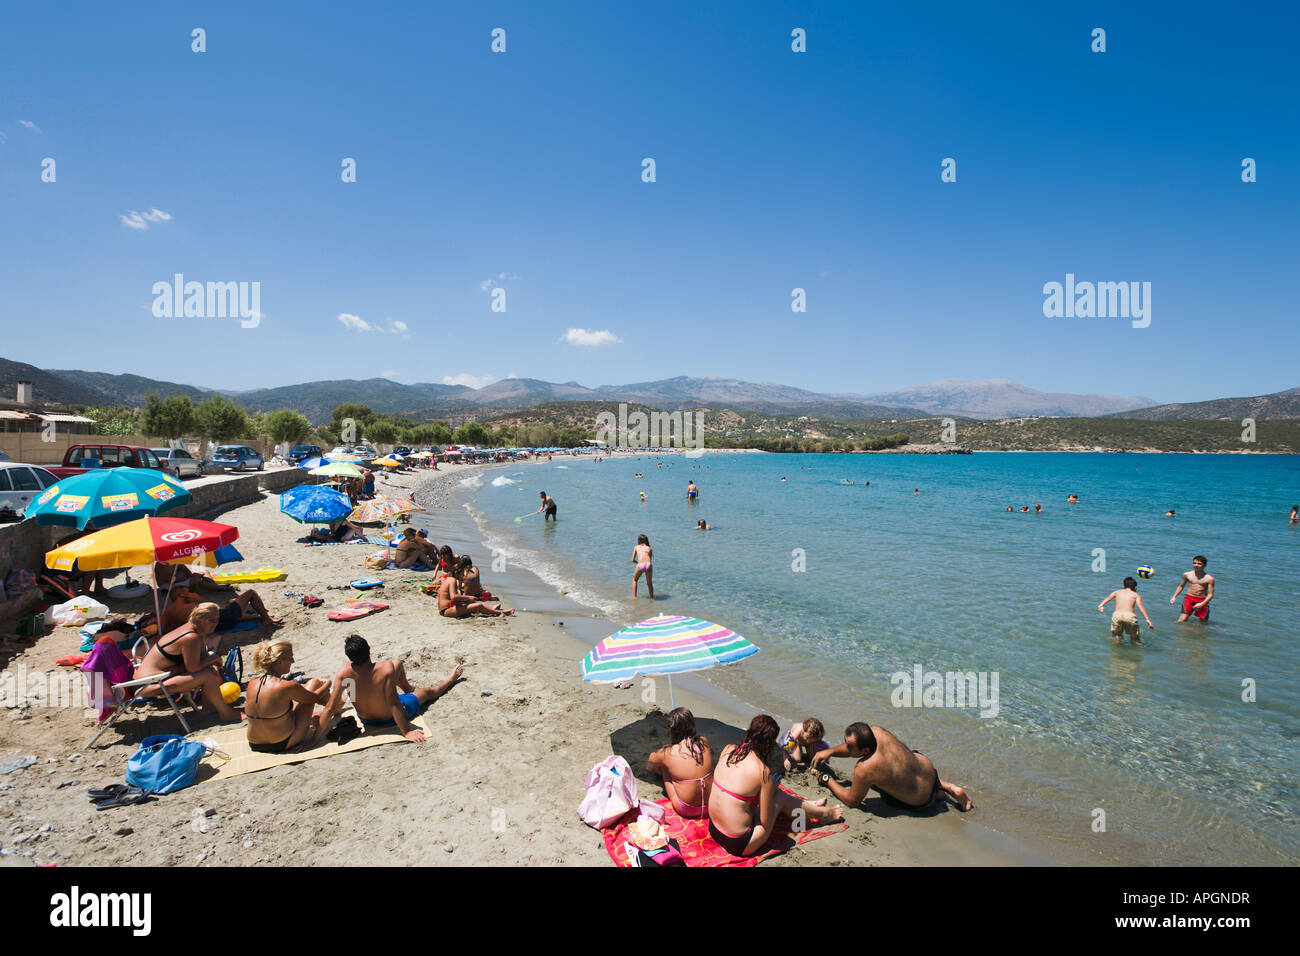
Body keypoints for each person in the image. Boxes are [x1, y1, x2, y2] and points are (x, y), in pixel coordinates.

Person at [707, 715, 843, 856]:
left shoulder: (729, 749)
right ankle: (825, 814)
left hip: (714, 829)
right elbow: (765, 823)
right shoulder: (762, 771)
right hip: (739, 843)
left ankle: (809, 805)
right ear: (769, 743)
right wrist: (770, 794)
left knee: (760, 793)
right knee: (779, 796)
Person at [810, 722, 973, 813]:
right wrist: (830, 752)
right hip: (929, 770)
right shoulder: (877, 731)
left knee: (881, 787)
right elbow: (855, 750)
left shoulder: (864, 768)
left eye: (849, 746)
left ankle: (937, 795)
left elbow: (852, 801)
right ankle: (949, 787)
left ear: (865, 750)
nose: (846, 747)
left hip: (921, 801)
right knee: (907, 760)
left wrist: (827, 779)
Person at [326, 635, 462, 743]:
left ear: (350, 657)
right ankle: (450, 679)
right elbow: (393, 703)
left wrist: (314, 739)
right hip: (389, 718)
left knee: (352, 685)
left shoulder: (344, 671)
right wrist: (406, 731)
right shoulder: (385, 668)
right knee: (427, 693)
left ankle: (408, 688)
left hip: (365, 718)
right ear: (369, 647)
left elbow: (330, 708)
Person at [134, 603, 243, 723]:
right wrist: (214, 658)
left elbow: (203, 658)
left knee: (210, 671)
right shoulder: (191, 637)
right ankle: (225, 713)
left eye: (217, 620)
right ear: (198, 619)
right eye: (211, 620)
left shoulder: (195, 630)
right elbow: (193, 668)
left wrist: (213, 662)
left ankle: (209, 710)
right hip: (146, 686)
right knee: (208, 676)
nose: (215, 624)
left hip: (159, 678)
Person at [245, 640, 339, 753]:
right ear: (280, 662)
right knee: (314, 683)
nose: (293, 661)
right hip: (281, 743)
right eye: (290, 658)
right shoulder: (286, 686)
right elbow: (314, 697)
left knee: (287, 704)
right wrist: (327, 683)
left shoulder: (252, 682)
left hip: (254, 744)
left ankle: (334, 709)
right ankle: (336, 710)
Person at [645, 707, 713, 819]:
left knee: (664, 767)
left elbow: (650, 763)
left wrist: (662, 753)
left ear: (672, 729)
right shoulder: (703, 741)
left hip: (687, 809)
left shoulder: (669, 752)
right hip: (711, 803)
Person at [161, 585, 279, 633]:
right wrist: (199, 598)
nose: (192, 593)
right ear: (183, 595)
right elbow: (212, 611)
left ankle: (258, 617)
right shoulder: (191, 607)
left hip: (219, 623)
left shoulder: (168, 612)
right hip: (221, 621)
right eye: (189, 592)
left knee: (231, 612)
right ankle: (266, 619)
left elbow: (162, 629)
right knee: (250, 593)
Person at [1099, 577, 1154, 645]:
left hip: (1117, 615)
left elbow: (1108, 598)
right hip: (1129, 616)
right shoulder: (1136, 595)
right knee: (1135, 638)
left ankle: (1116, 651)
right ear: (1135, 588)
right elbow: (1140, 606)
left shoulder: (1117, 592)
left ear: (1123, 585)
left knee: (1117, 636)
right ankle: (1139, 650)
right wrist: (1148, 619)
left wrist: (1101, 605)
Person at [435, 572, 513, 617]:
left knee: (471, 603)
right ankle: (502, 612)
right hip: (446, 611)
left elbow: (453, 597)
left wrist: (467, 599)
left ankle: (491, 608)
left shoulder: (448, 579)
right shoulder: (452, 580)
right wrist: (468, 597)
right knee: (478, 605)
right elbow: (453, 597)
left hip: (448, 608)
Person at [1171, 555, 1214, 622]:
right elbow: (1181, 586)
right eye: (1194, 563)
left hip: (1202, 600)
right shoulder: (1187, 574)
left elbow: (1211, 594)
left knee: (1203, 622)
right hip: (1189, 599)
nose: (1196, 565)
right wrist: (1174, 597)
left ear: (1204, 565)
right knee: (1182, 619)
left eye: (1199, 564)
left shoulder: (1209, 578)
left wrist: (1202, 604)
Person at [154, 561, 234, 593]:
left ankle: (214, 586)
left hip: (179, 579)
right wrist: (189, 578)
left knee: (204, 572)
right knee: (196, 580)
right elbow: (169, 579)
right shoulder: (163, 564)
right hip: (167, 585)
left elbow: (184, 569)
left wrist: (191, 575)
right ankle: (220, 588)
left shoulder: (174, 558)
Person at [632, 534, 653, 599]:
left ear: (639, 540)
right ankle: (651, 598)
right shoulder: (650, 548)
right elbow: (650, 558)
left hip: (640, 565)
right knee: (649, 583)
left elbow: (632, 560)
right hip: (648, 565)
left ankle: (634, 597)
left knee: (635, 580)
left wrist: (638, 563)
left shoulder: (636, 547)